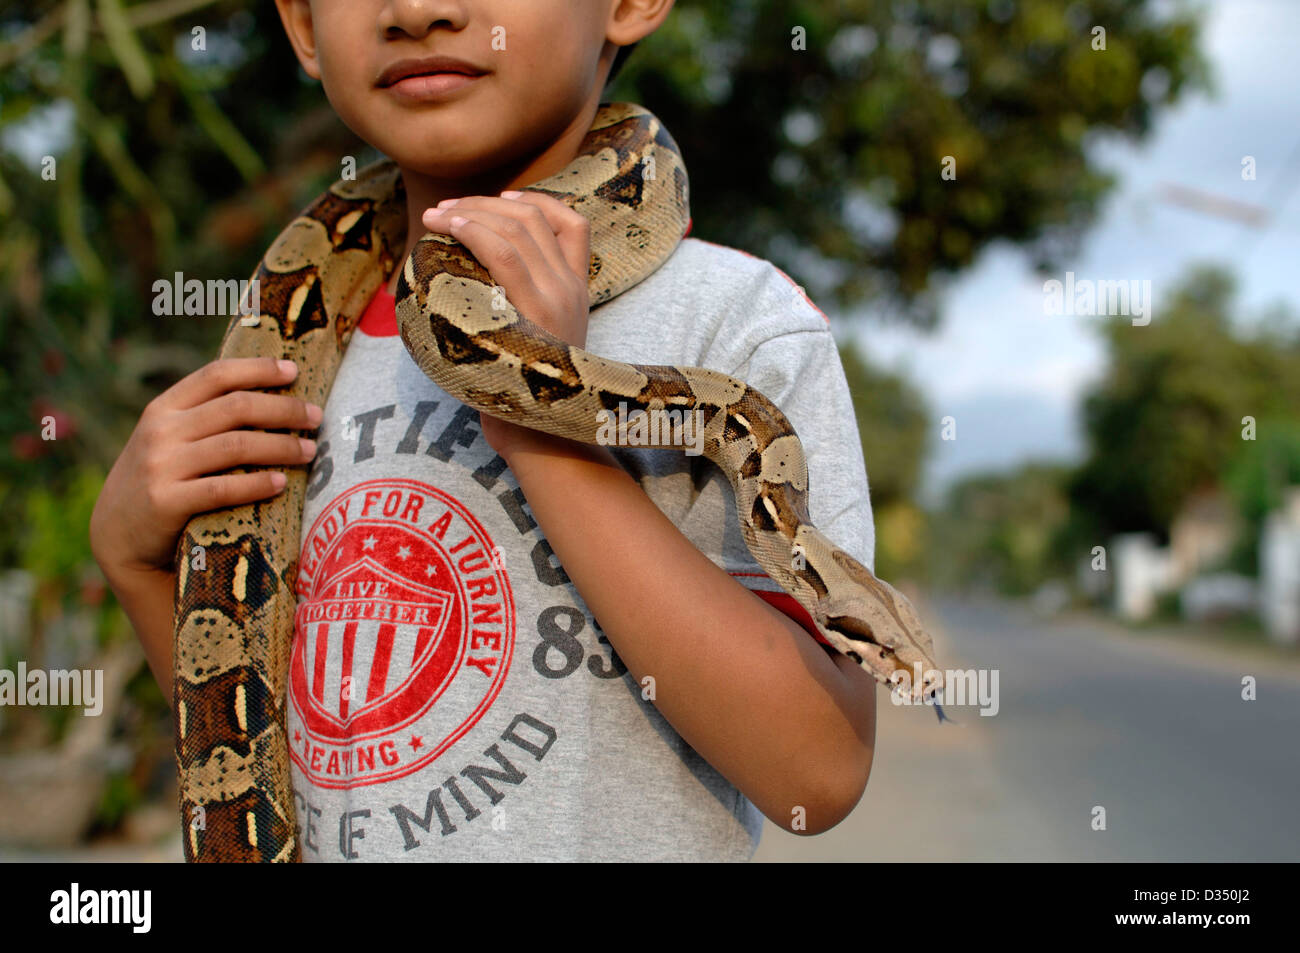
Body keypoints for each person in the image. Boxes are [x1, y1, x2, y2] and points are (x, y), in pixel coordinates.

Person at [89, 0, 880, 862]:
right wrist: (135, 564)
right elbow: (267, 753)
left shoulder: (733, 327)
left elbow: (817, 772)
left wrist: (543, 411)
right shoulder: (293, 352)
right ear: (304, 27)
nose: (418, 10)